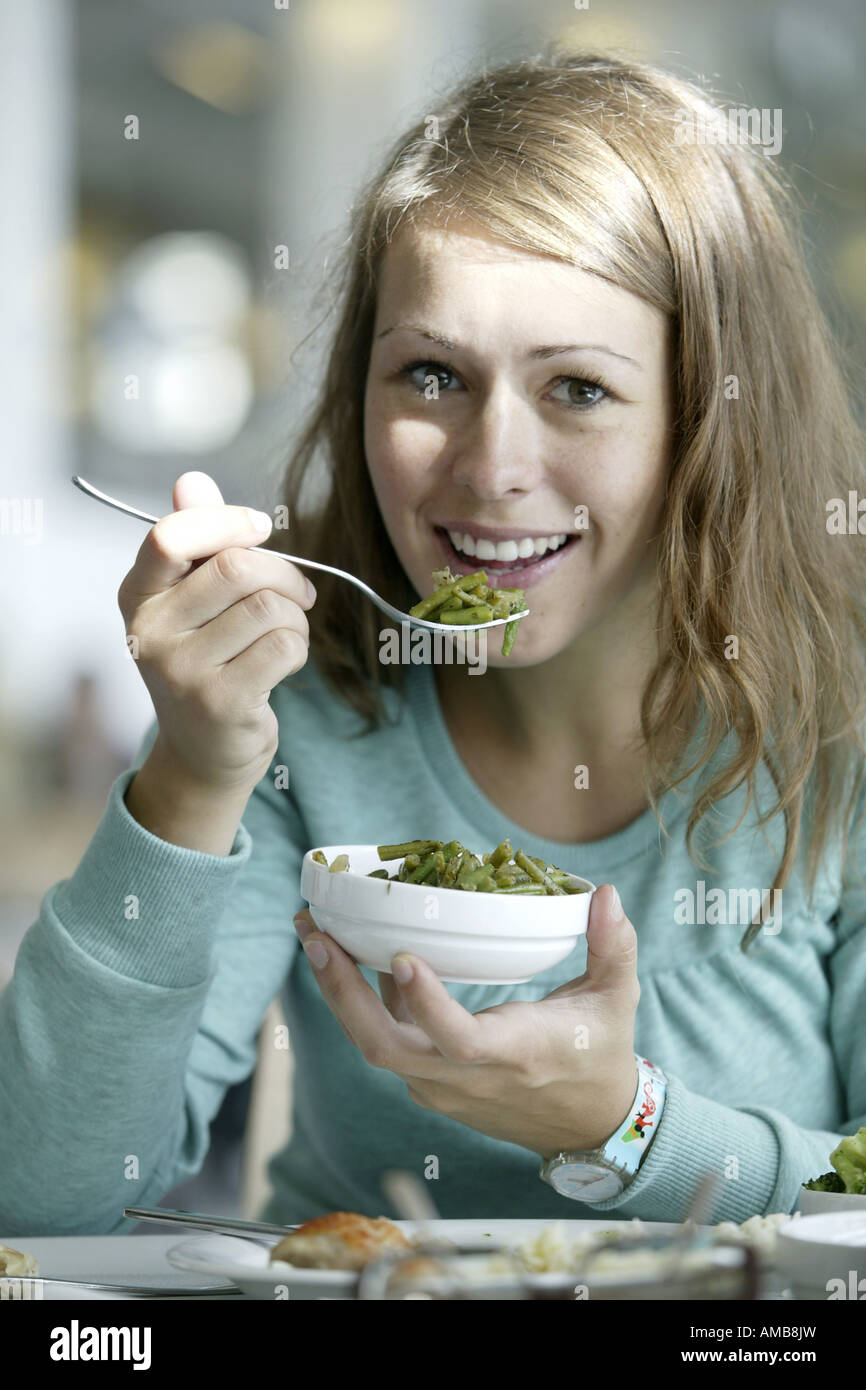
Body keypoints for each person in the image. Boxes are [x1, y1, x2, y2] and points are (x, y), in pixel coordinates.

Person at [2, 47, 865, 1236]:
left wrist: (627, 1126)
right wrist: (192, 778)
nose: (490, 470)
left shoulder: (844, 723)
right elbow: (42, 1198)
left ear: (705, 420)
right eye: (431, 374)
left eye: (576, 389)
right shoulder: (294, 710)